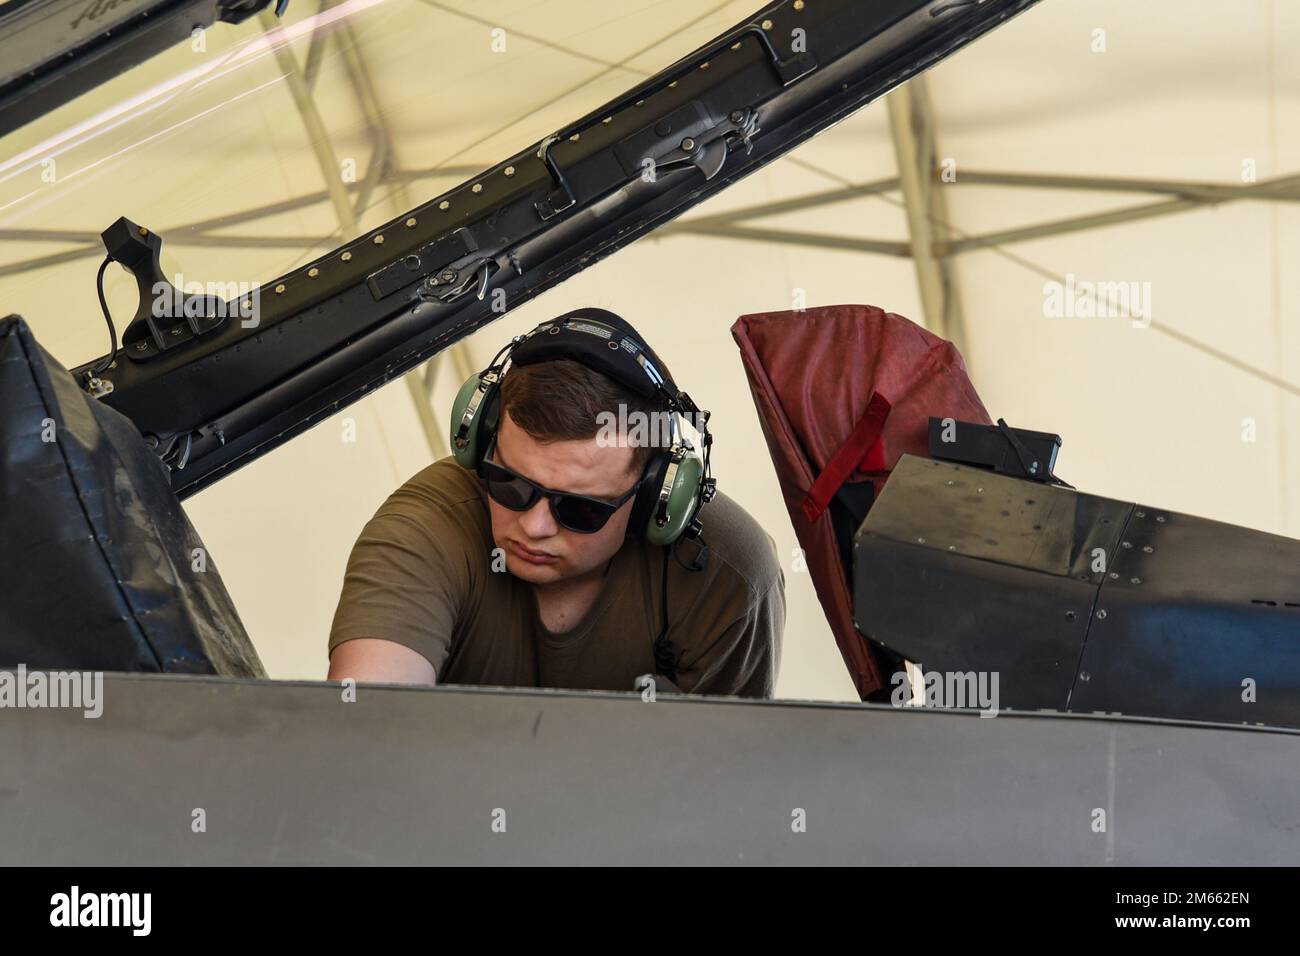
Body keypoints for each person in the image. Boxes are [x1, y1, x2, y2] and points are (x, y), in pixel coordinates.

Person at [326, 308, 784, 697]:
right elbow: (367, 729)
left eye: (580, 509)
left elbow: (721, 777)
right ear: (483, 441)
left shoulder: (727, 572)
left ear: (653, 498)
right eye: (510, 485)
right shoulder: (426, 525)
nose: (534, 525)